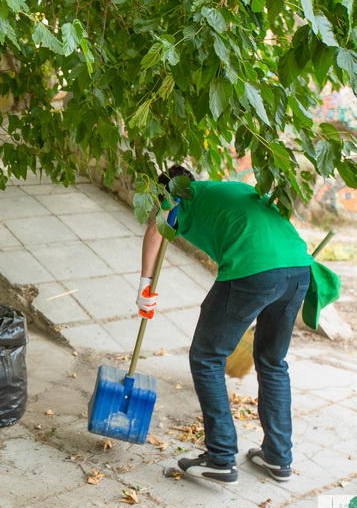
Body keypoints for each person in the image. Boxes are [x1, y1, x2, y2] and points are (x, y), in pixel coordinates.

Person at [136, 165, 338, 485]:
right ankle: (277, 456)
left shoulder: (176, 197)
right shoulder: (232, 189)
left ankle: (220, 457)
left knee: (206, 356)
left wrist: (145, 286)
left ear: (169, 191)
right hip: (298, 269)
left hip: (253, 270)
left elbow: (155, 230)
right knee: (273, 362)